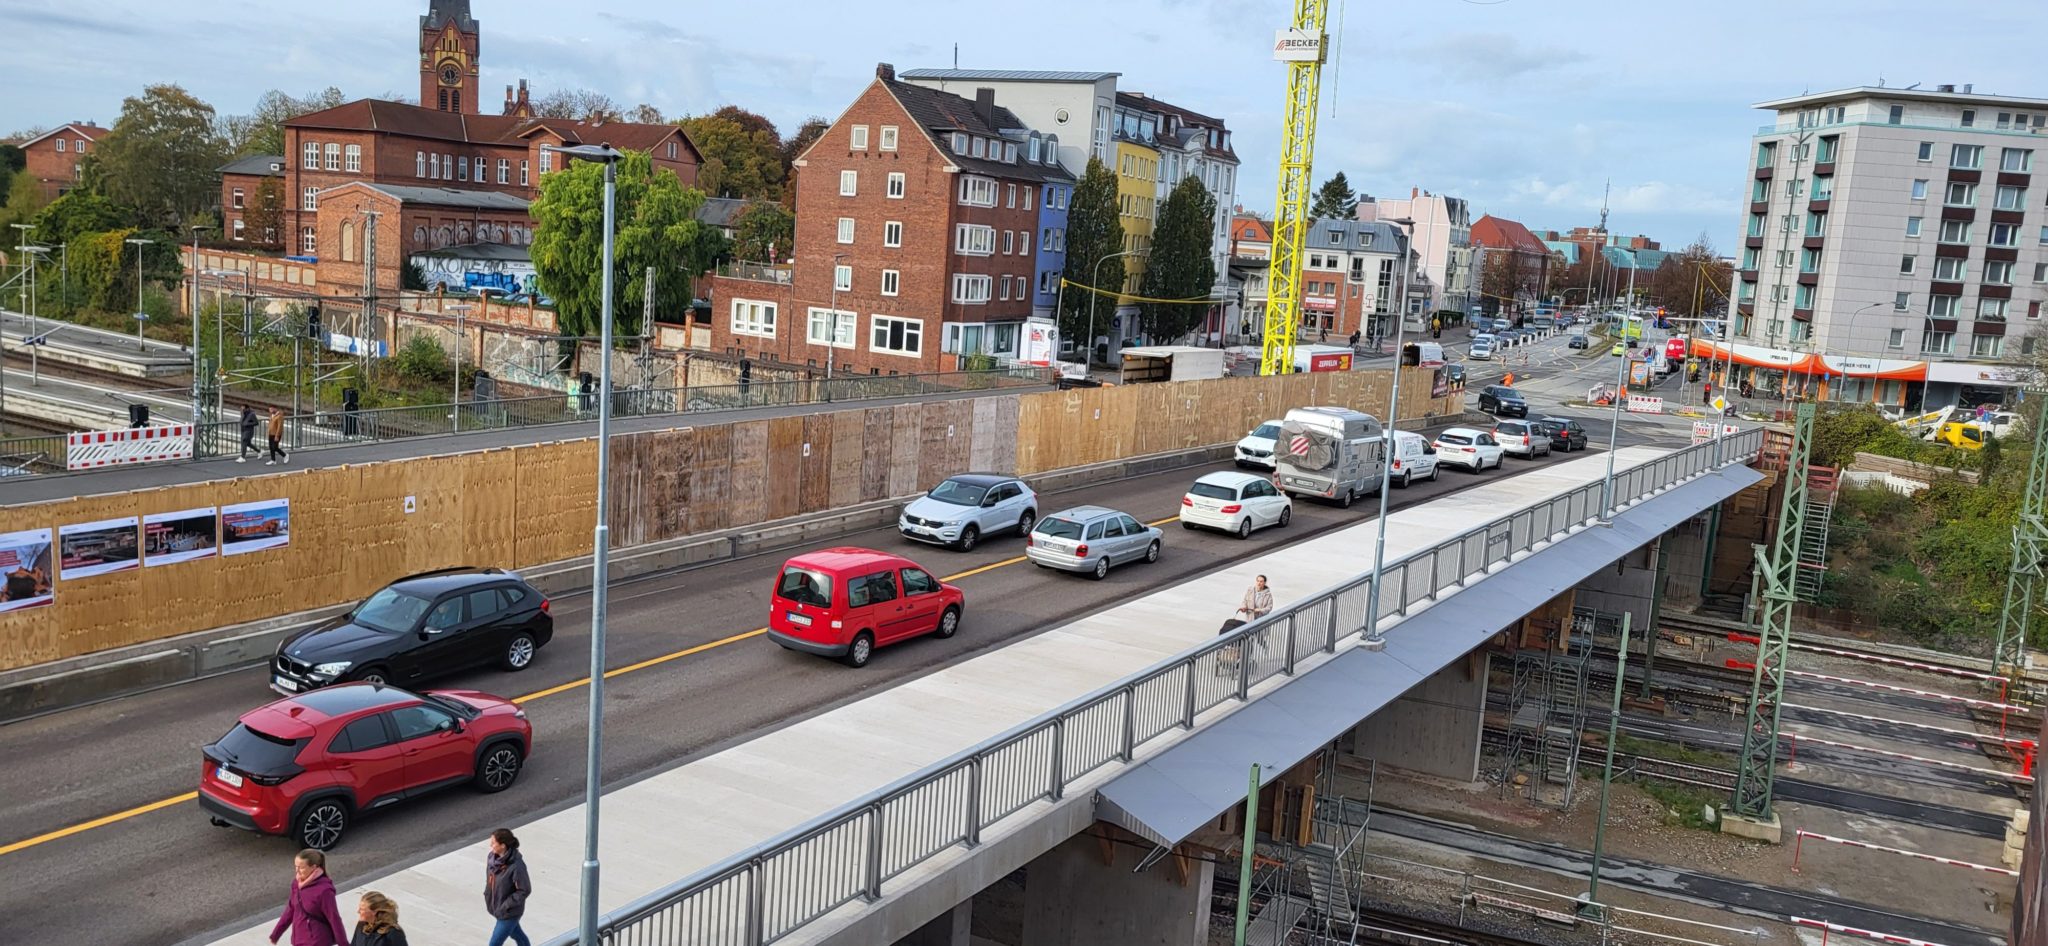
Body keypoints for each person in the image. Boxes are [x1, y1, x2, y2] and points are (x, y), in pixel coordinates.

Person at [269, 849, 350, 946]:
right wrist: (275, 934)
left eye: (301, 867)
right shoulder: (297, 884)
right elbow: (290, 910)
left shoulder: (324, 891)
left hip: (317, 941)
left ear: (314, 867)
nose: (297, 870)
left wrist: (343, 944)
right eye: (296, 866)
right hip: (298, 940)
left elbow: (334, 918)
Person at [485, 827, 533, 946]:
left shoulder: (516, 866)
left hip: (509, 912)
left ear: (503, 845)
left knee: (494, 944)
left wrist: (505, 906)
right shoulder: (492, 859)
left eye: (493, 842)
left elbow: (524, 890)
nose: (490, 844)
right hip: (497, 908)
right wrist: (487, 894)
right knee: (518, 936)